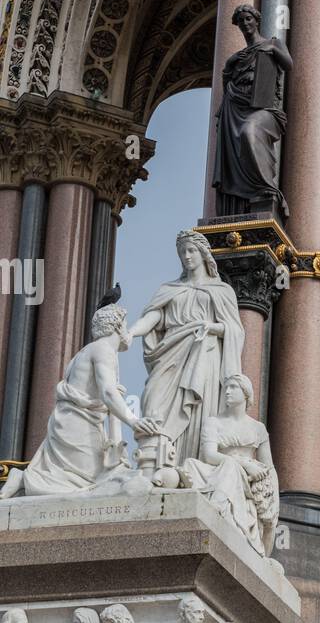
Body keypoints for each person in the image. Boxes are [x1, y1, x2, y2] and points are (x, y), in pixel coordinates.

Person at [0, 303, 159, 498]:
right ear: (118, 326)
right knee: (86, 482)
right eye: (126, 325)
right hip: (77, 425)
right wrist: (134, 421)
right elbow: (108, 393)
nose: (127, 331)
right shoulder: (103, 350)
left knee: (85, 478)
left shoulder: (85, 352)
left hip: (73, 422)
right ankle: (24, 480)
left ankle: (22, 479)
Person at [129, 231, 245, 468]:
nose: (186, 256)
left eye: (191, 250)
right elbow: (154, 316)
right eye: (182, 252)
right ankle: (154, 467)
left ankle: (187, 468)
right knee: (154, 403)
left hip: (205, 355)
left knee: (197, 411)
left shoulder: (221, 290)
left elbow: (235, 330)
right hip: (169, 353)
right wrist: (131, 332)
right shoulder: (169, 288)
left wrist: (210, 327)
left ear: (203, 254)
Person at [178, 374, 278, 555]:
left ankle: (218, 508)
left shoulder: (258, 428)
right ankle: (216, 508)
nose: (228, 392)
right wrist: (243, 463)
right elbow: (209, 455)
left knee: (230, 468)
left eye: (233, 387)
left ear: (246, 394)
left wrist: (273, 499)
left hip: (248, 480)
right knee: (191, 464)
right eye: (226, 388)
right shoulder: (213, 422)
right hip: (217, 469)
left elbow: (268, 467)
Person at [212, 3, 291, 221]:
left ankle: (267, 187)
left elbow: (288, 64)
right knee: (235, 150)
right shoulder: (237, 57)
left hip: (265, 109)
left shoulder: (272, 43)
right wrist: (228, 69)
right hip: (235, 107)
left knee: (249, 132)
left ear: (256, 20)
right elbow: (226, 79)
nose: (245, 24)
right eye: (240, 22)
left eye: (248, 19)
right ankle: (248, 196)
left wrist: (272, 50)